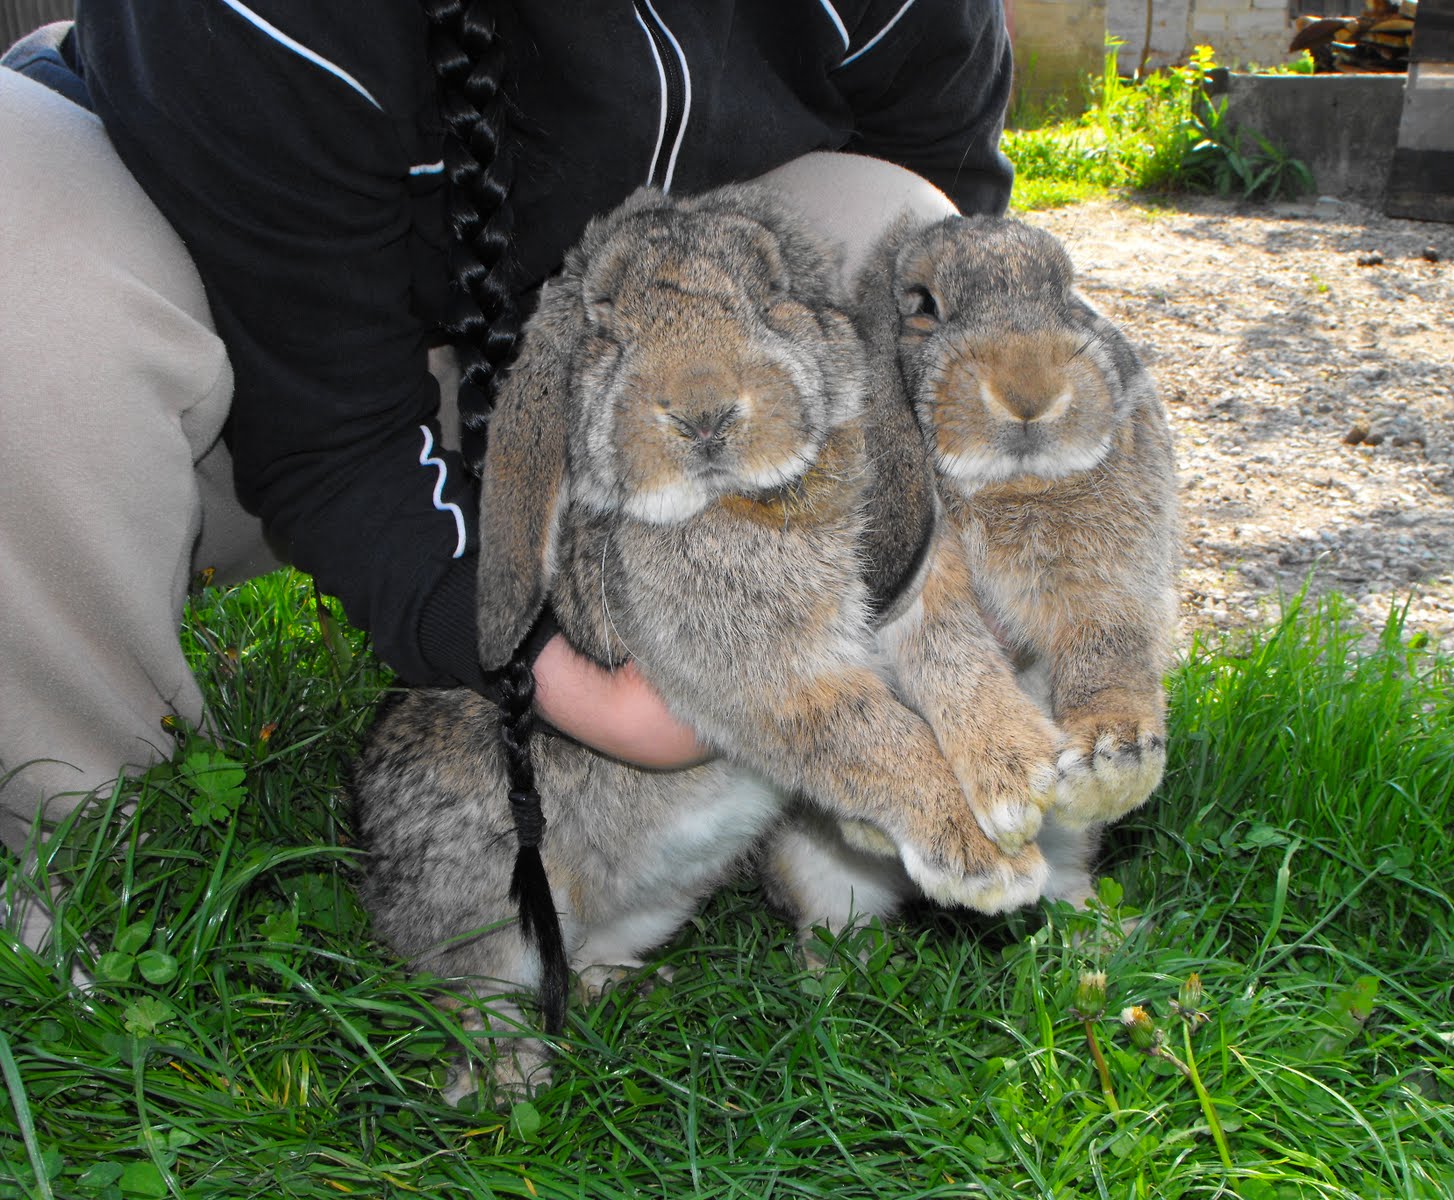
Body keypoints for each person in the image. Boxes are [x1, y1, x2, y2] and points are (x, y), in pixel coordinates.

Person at [0, 1, 1017, 950]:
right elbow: (329, 439)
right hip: (225, 377)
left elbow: (946, 199)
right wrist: (548, 659)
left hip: (590, 388)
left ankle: (867, 815)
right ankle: (91, 874)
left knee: (915, 249)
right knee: (23, 280)